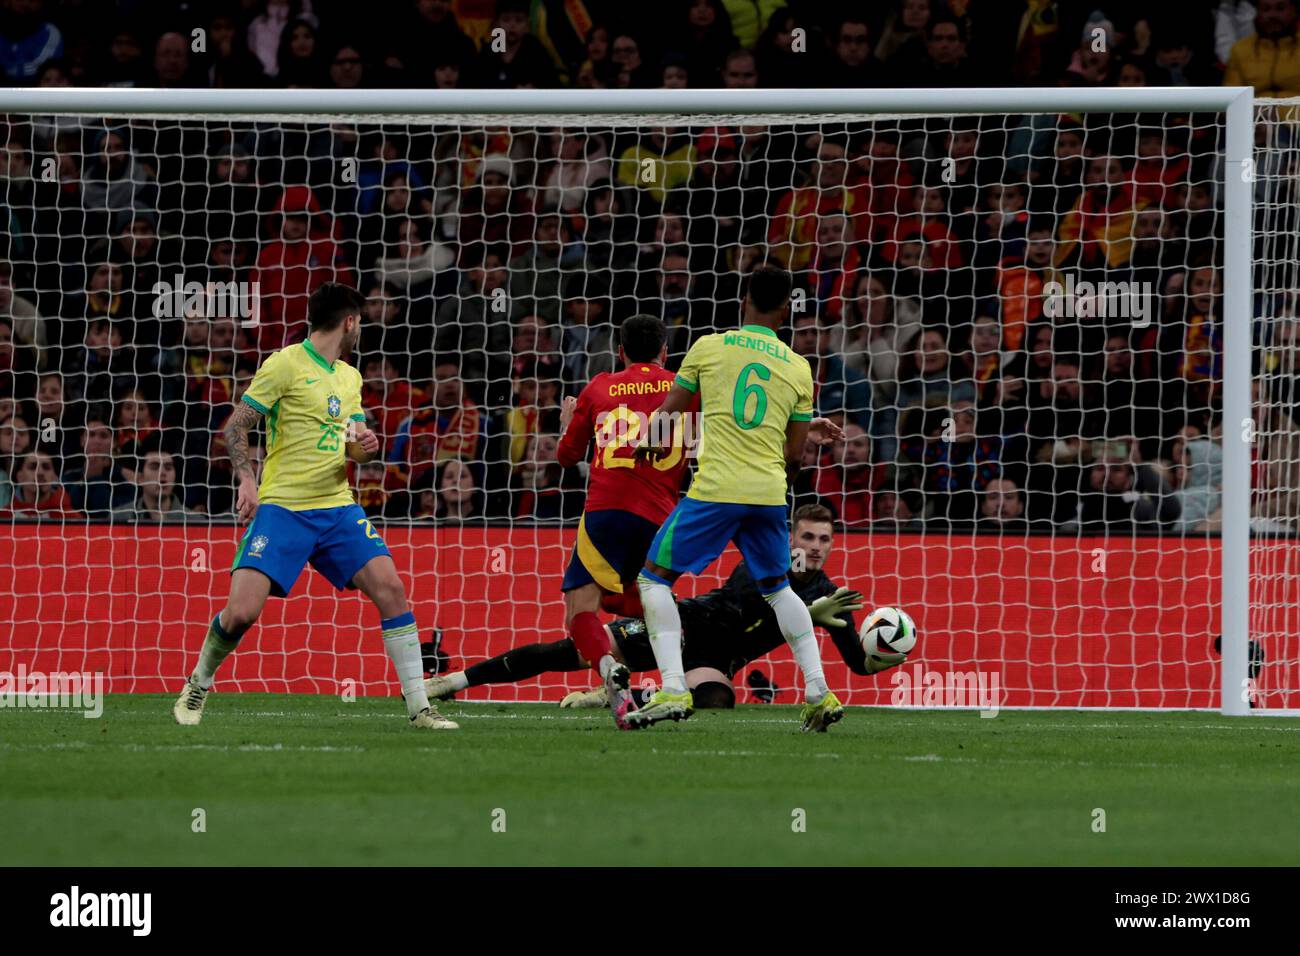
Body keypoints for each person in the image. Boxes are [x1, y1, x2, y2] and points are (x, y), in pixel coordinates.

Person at [171, 283, 456, 731]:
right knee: (242, 613)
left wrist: (366, 446)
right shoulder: (285, 363)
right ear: (349, 321)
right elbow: (235, 427)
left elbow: (356, 449)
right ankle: (199, 682)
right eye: (360, 320)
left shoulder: (349, 377)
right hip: (283, 508)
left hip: (338, 508)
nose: (361, 328)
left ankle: (420, 707)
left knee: (391, 588)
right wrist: (248, 479)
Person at [632, 265, 845, 732]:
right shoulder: (798, 366)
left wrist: (646, 444)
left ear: (744, 299)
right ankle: (818, 690)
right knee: (778, 588)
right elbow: (793, 453)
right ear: (787, 309)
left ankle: (671, 687)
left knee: (653, 579)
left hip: (718, 488)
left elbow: (671, 412)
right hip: (769, 492)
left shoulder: (709, 347)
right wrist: (782, 469)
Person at [424, 505, 903, 706]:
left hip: (716, 661)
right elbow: (743, 610)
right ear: (790, 535)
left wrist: (885, 653)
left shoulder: (830, 594)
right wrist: (802, 614)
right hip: (687, 625)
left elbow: (858, 664)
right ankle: (455, 680)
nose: (816, 546)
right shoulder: (765, 560)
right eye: (808, 536)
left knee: (716, 700)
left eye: (824, 540)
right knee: (567, 652)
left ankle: (631, 696)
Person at [553, 314, 694, 728]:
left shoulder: (599, 386)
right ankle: (674, 672)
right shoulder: (685, 390)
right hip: (662, 519)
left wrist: (566, 426)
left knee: (581, 610)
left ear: (620, 351)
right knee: (650, 602)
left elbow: (565, 457)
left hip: (606, 511)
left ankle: (606, 668)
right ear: (666, 352)